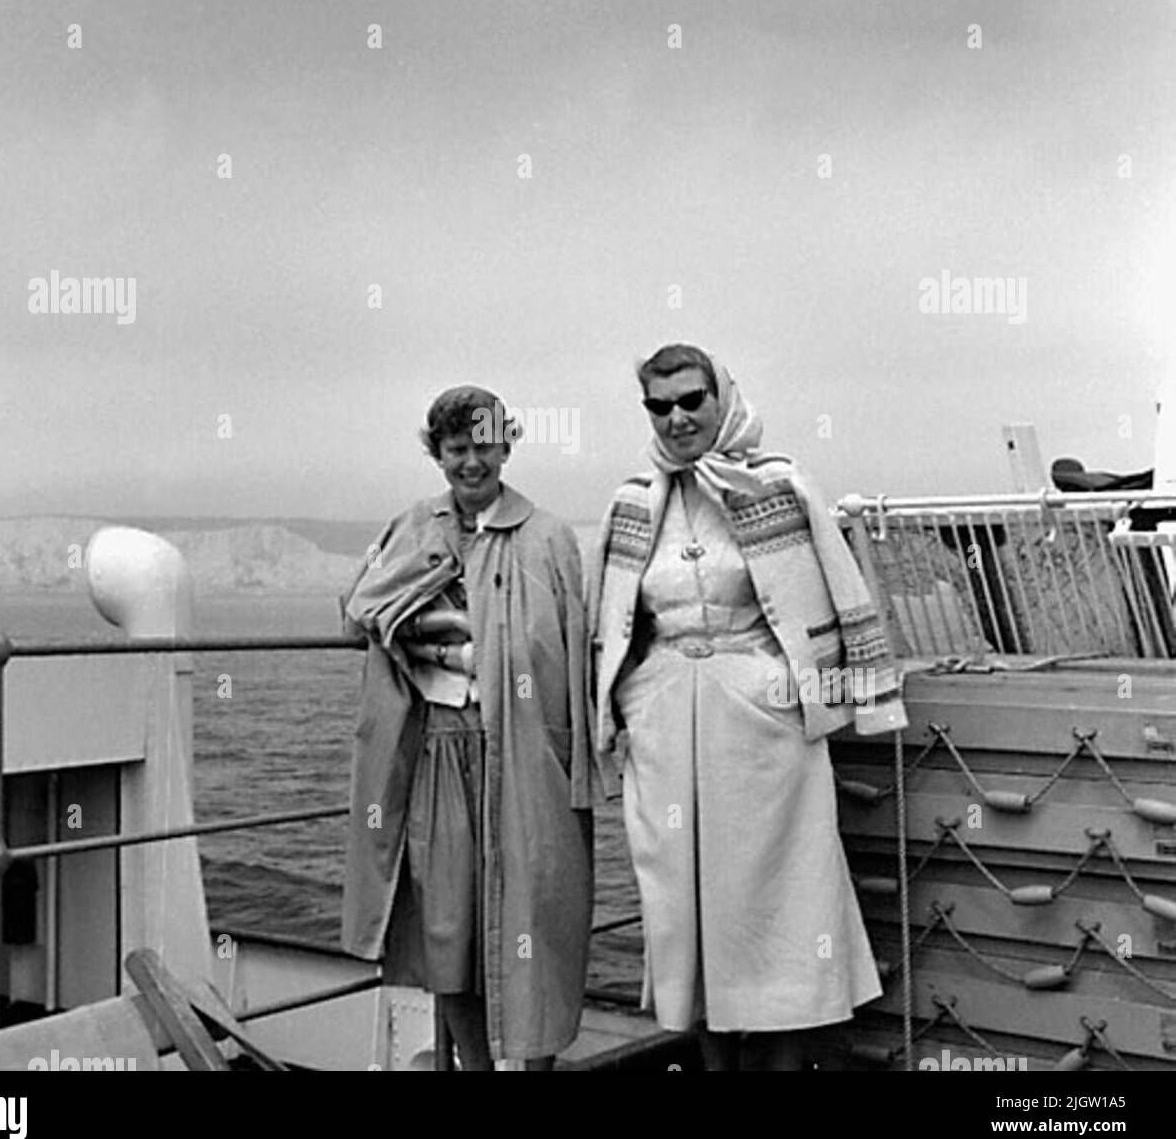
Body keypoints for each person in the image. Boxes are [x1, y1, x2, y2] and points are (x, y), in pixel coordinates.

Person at [589, 344, 908, 1070]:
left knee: (779, 900)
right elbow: (609, 621)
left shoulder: (781, 482)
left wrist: (848, 700)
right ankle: (710, 1060)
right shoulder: (631, 500)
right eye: (658, 405)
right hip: (667, 725)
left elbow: (837, 585)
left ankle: (787, 1062)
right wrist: (623, 708)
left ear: (721, 398)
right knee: (682, 900)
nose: (676, 418)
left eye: (690, 400)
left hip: (766, 722)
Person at [341, 385, 605, 1069]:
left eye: (484, 445)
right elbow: (358, 609)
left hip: (523, 753)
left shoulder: (546, 536)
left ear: (507, 444)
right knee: (448, 930)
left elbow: (567, 658)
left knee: (535, 920)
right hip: (439, 749)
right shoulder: (415, 525)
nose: (472, 462)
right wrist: (441, 636)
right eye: (457, 448)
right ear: (437, 453)